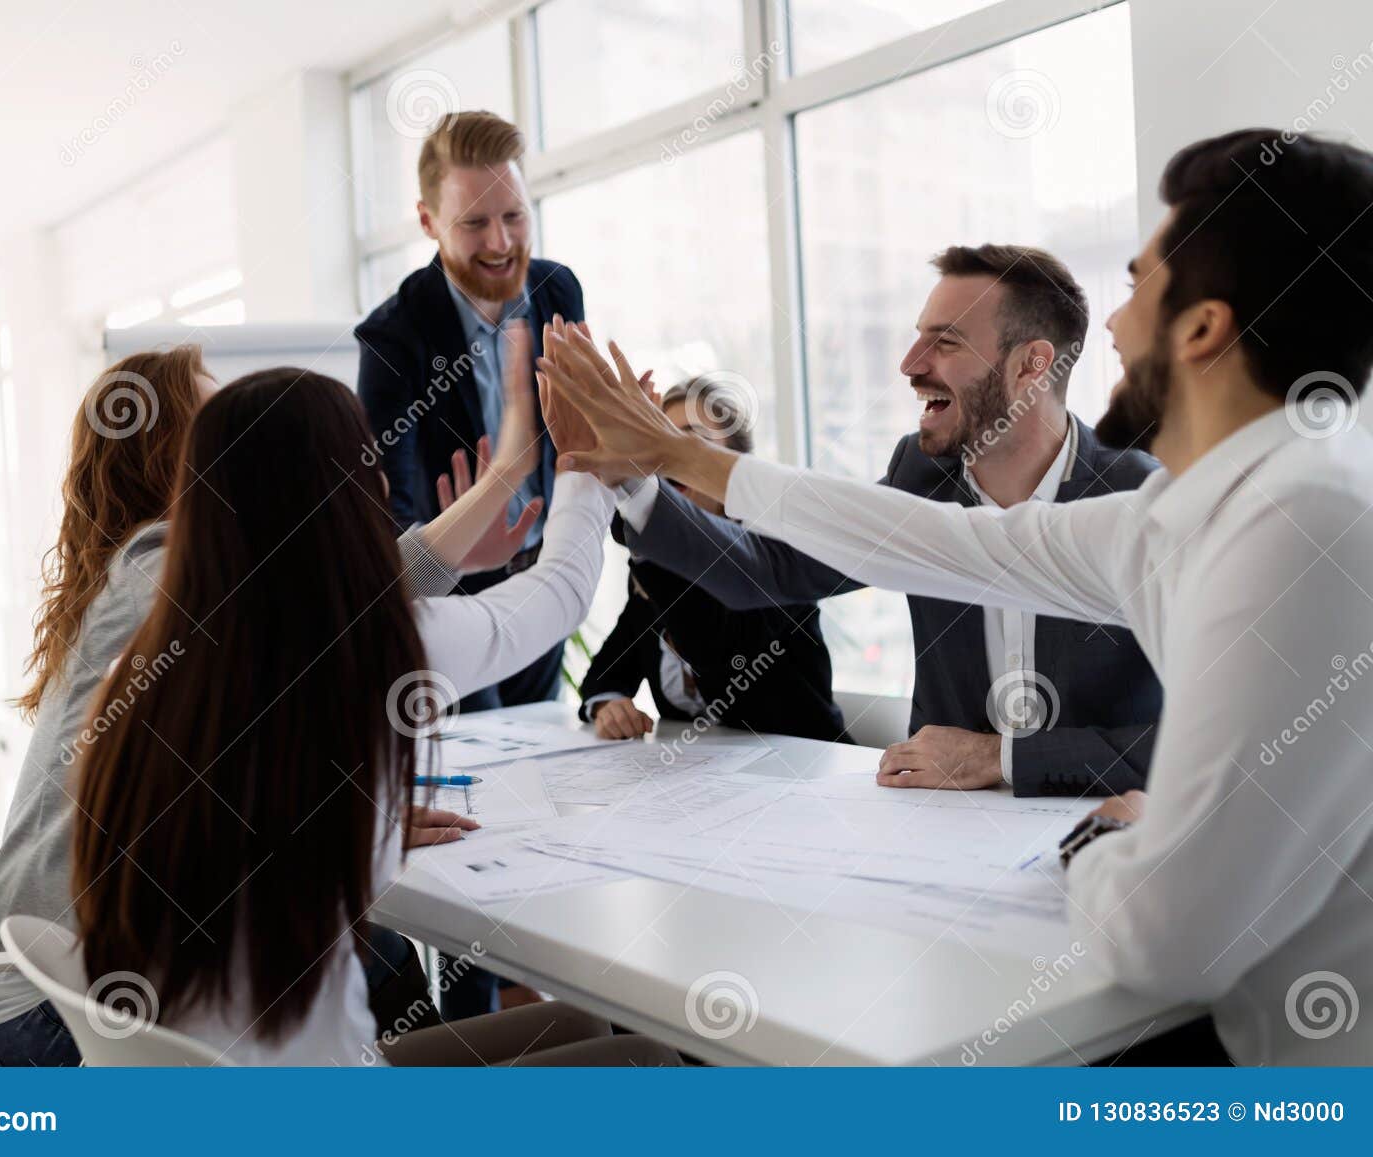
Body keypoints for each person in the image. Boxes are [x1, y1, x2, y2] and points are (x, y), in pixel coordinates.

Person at [540, 129, 1373, 1065]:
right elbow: (935, 544)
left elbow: (1170, 932)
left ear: (1204, 327)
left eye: (1141, 285)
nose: (1115, 326)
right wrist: (677, 458)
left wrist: (1096, 839)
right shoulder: (1195, 512)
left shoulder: (1303, 528)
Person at [0, 341, 547, 1066]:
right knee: (376, 958)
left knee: (378, 953)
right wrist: (511, 466)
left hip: (50, 996)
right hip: (41, 1021)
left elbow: (325, 597)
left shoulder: (147, 573)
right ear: (179, 451)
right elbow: (335, 587)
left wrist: (350, 818)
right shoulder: (160, 567)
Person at [69, 365, 678, 1066]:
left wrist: (363, 821)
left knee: (583, 1029)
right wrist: (584, 466)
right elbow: (560, 594)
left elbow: (251, 821)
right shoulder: (372, 649)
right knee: (645, 1060)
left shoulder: (144, 672)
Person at [603, 246, 1162, 797]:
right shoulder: (921, 474)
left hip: (1101, 831)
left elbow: (1193, 744)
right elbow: (766, 571)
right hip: (933, 824)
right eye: (919, 337)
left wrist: (1002, 757)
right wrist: (633, 481)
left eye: (945, 342)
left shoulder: (1141, 495)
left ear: (1031, 365)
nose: (910, 365)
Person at [356, 110, 582, 714]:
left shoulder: (558, 289)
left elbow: (580, 435)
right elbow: (389, 511)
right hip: (447, 595)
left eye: (514, 216)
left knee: (544, 750)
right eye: (474, 223)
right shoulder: (392, 337)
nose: (501, 244)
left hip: (541, 574)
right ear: (428, 221)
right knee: (476, 775)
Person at [579, 375, 849, 744]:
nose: (665, 457)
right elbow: (607, 672)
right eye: (655, 440)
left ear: (733, 466)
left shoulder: (774, 554)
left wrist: (650, 527)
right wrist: (608, 705)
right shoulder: (652, 568)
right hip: (705, 780)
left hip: (804, 771)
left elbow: (715, 653)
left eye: (691, 441)